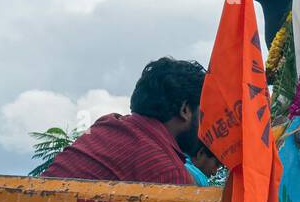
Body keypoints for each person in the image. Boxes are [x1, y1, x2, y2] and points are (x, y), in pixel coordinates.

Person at [44, 58, 206, 185]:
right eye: (202, 112)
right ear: (185, 110)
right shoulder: (169, 174)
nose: (204, 122)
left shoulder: (107, 124)